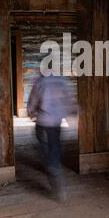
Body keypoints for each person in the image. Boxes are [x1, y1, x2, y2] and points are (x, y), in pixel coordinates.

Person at [27, 72, 70, 201]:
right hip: (57, 121)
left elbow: (33, 100)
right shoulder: (62, 80)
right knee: (55, 145)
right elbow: (68, 99)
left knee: (42, 142)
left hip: (43, 121)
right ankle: (53, 163)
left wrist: (31, 112)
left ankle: (53, 170)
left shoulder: (40, 81)